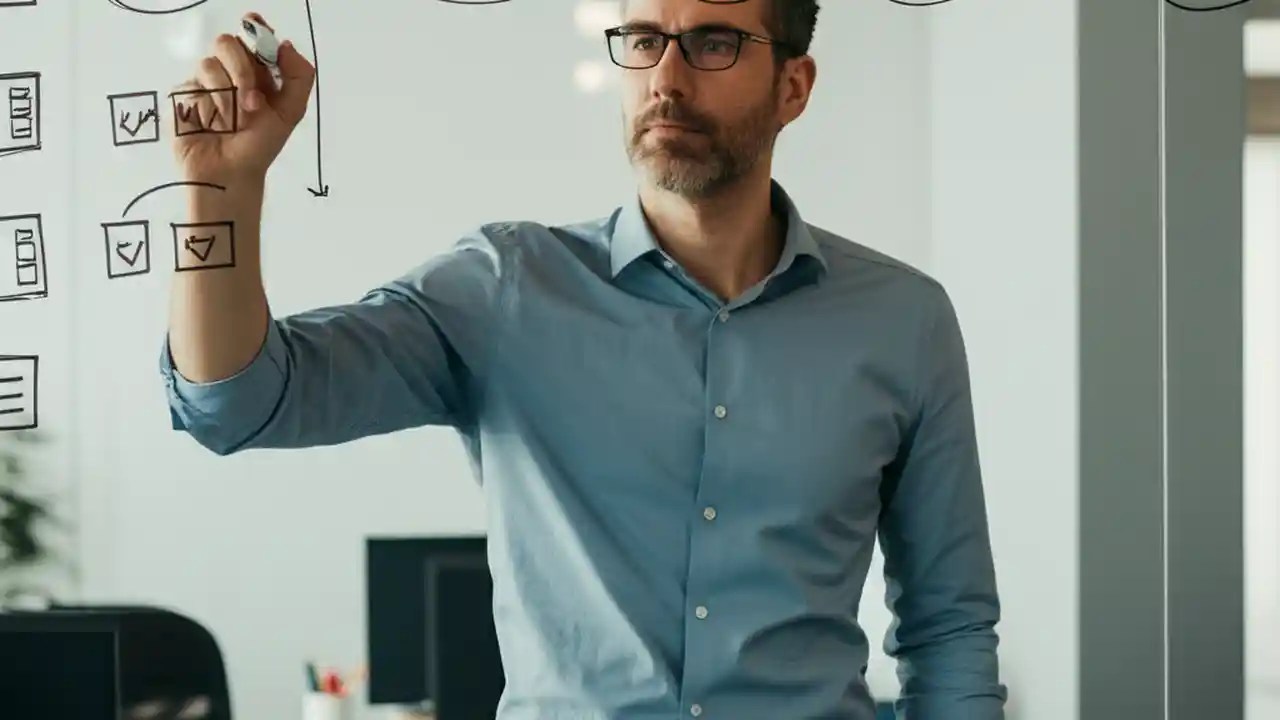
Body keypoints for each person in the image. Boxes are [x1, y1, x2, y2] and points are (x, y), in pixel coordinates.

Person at [159, 1, 1009, 718]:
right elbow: (237, 402)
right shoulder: (504, 288)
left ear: (794, 86)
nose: (666, 79)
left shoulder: (903, 320)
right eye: (643, 40)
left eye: (713, 43)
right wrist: (219, 193)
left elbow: (950, 627)